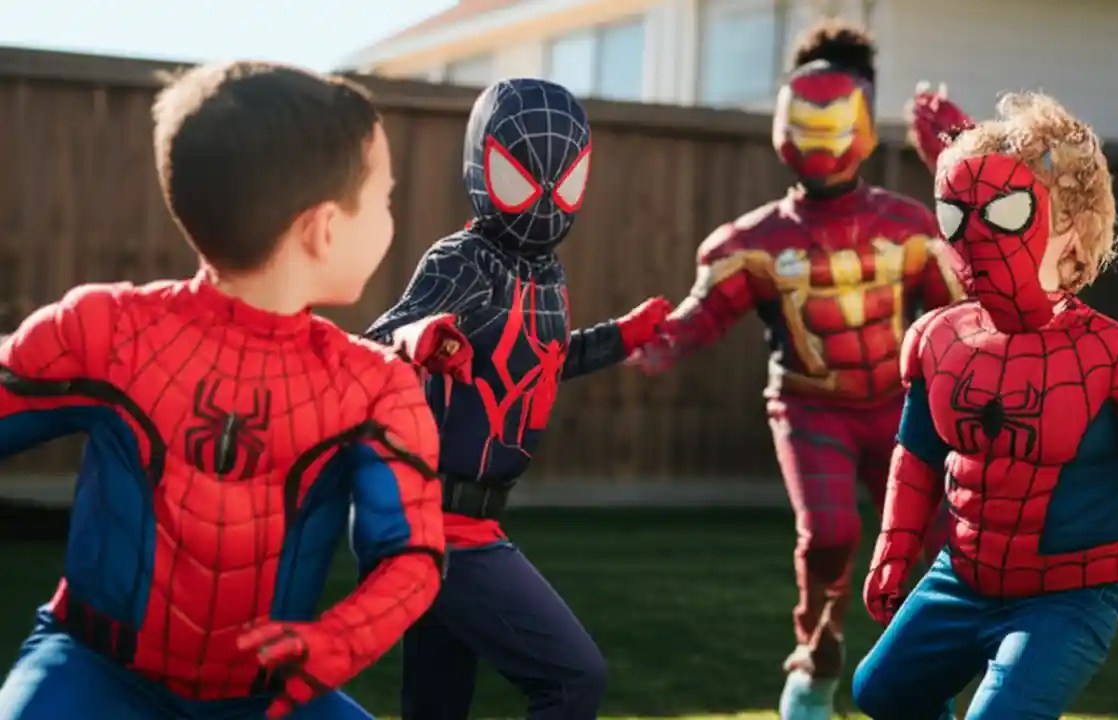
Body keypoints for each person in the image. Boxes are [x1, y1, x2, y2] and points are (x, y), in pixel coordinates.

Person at [0, 61, 459, 719]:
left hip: (270, 693)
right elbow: (417, 555)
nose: (389, 218)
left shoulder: (372, 387)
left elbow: (411, 557)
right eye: (384, 199)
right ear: (324, 228)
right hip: (93, 664)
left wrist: (338, 641)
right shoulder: (109, 334)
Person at [852, 91, 1118, 720]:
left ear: (1074, 228)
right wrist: (895, 545)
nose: (974, 240)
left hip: (1072, 592)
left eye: (1004, 215)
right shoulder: (937, 341)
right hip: (963, 571)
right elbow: (916, 454)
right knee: (882, 691)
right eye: (956, 219)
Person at [627, 21, 963, 720]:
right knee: (832, 532)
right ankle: (817, 656)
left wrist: (962, 173)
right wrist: (646, 342)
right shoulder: (751, 245)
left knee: (932, 543)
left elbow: (971, 306)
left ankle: (923, 677)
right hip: (810, 408)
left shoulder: (912, 228)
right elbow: (699, 314)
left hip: (899, 407)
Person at [364, 77, 671, 720]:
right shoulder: (463, 259)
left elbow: (542, 363)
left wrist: (623, 336)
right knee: (572, 678)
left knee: (436, 704)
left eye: (565, 181)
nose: (545, 201)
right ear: (484, 164)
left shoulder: (544, 272)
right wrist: (417, 336)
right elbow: (371, 345)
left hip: (472, 520)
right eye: (522, 177)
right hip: (437, 524)